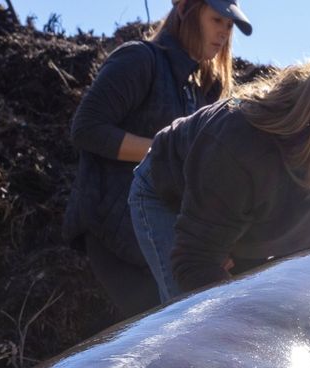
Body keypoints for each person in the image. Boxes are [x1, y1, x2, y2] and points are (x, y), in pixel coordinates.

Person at [129, 29, 310, 301]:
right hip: (170, 196)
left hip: (250, 214)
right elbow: (195, 261)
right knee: (196, 325)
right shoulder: (245, 143)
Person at [63, 0, 250, 322]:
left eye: (229, 25)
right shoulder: (139, 59)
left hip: (164, 231)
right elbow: (87, 128)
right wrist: (165, 151)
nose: (223, 33)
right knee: (175, 330)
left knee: (184, 330)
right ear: (185, 12)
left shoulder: (199, 88)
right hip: (114, 227)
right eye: (216, 19)